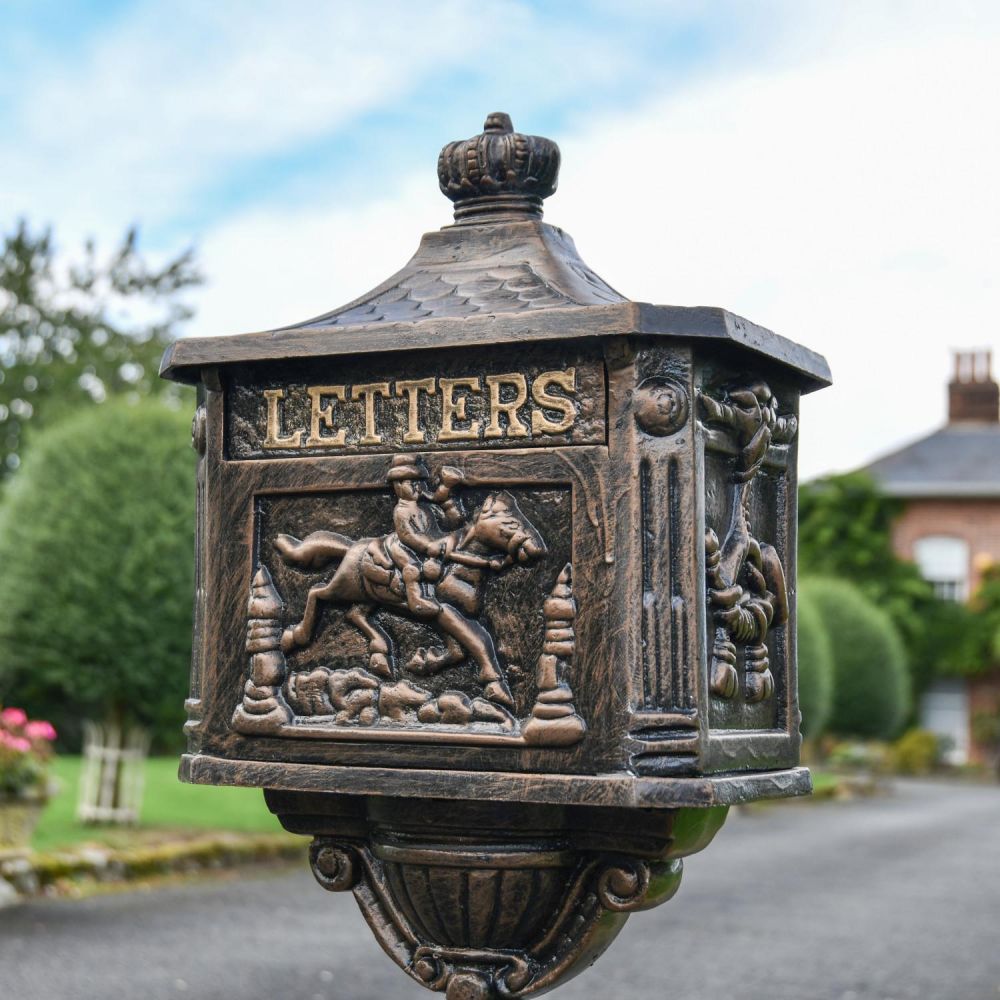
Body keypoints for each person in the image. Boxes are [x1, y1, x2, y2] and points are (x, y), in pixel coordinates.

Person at [384, 455, 468, 618]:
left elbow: (437, 502)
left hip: (430, 543)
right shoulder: (401, 511)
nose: (417, 487)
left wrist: (446, 486)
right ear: (399, 485)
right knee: (412, 568)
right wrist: (427, 546)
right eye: (411, 483)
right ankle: (416, 599)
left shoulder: (424, 506)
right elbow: (408, 536)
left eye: (419, 483)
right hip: (403, 546)